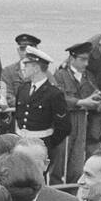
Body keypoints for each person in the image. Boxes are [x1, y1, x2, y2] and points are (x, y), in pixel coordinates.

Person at [12, 47, 70, 179]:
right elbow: (19, 117)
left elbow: (64, 126)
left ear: (36, 68)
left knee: (38, 180)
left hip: (41, 146)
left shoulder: (53, 93)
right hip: (21, 145)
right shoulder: (23, 88)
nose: (23, 68)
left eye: (26, 65)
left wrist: (48, 144)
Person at [54, 41, 101, 182]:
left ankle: (73, 196)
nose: (86, 63)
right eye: (82, 59)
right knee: (59, 164)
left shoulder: (88, 77)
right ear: (72, 58)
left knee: (77, 166)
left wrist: (98, 101)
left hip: (82, 125)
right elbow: (59, 98)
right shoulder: (60, 75)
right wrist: (81, 102)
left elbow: (93, 94)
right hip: (64, 123)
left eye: (87, 59)